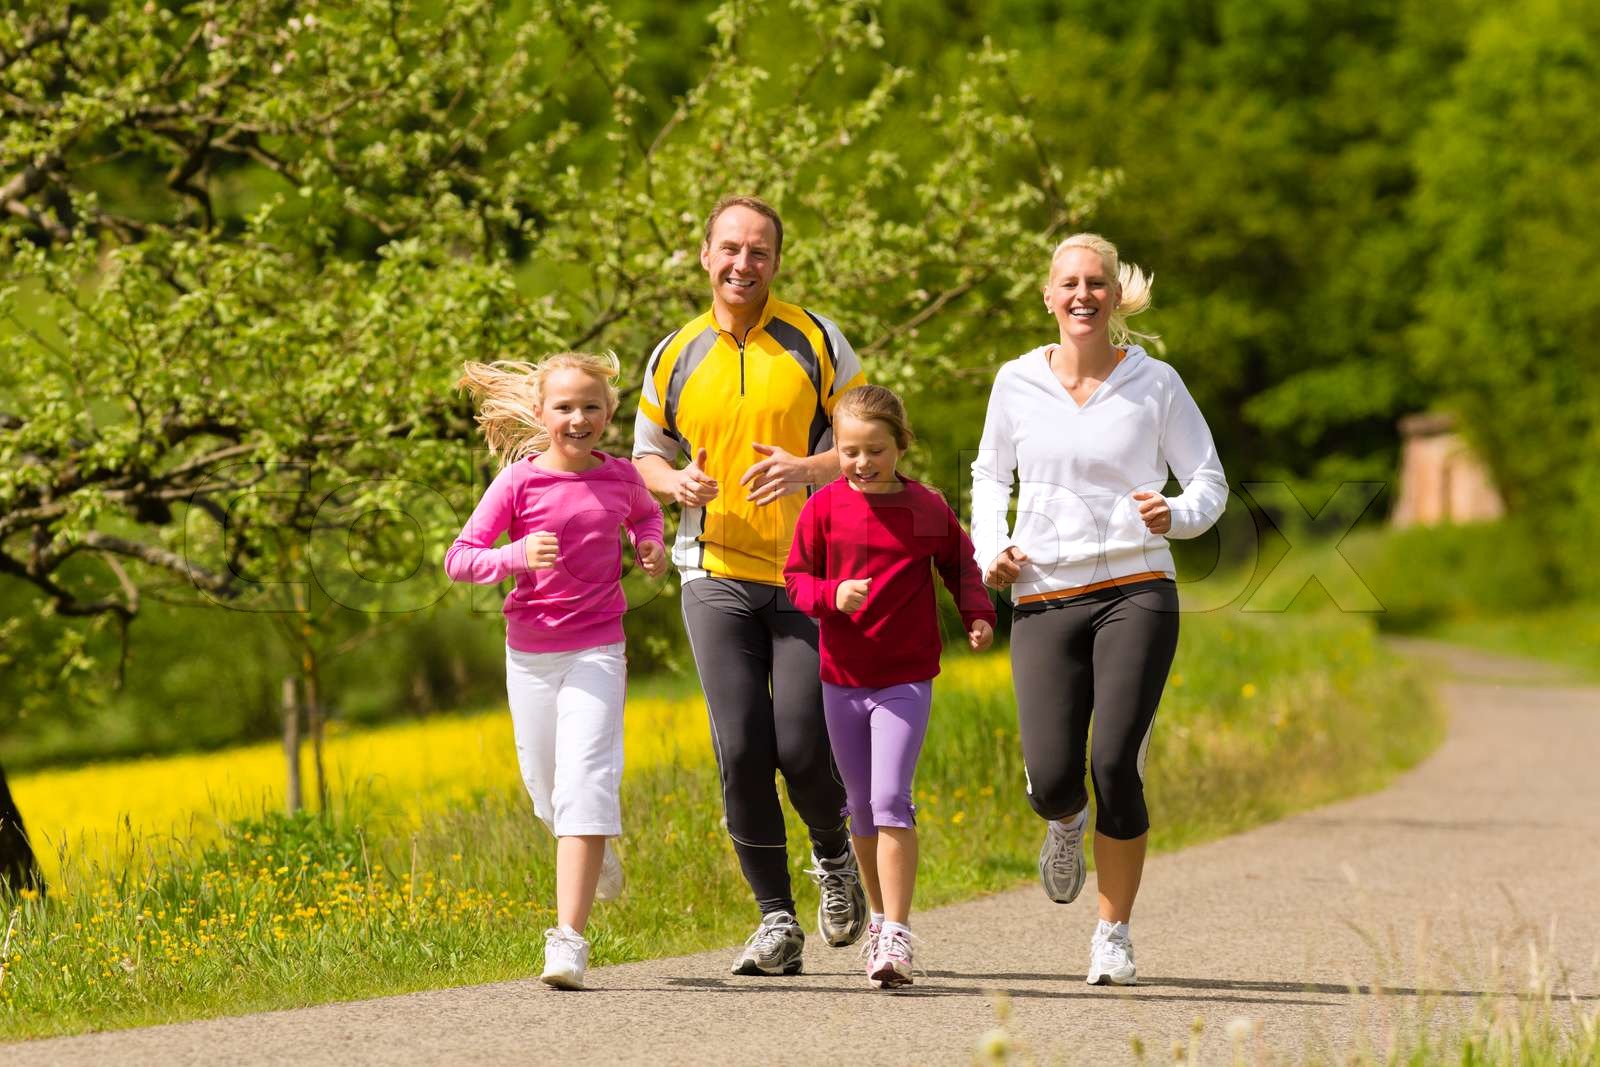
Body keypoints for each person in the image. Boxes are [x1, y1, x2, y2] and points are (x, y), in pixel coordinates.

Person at [970, 233, 1227, 986]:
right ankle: (1064, 820)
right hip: (1043, 591)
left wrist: (1172, 515)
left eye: (1097, 283)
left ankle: (1112, 932)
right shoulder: (1015, 382)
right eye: (1069, 283)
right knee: (1054, 776)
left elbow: (1208, 482)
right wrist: (993, 549)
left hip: (1136, 588)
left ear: (1117, 296)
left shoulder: (1157, 383)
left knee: (1114, 761)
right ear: (1048, 296)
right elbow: (990, 475)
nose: (1083, 294)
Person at [633, 195, 870, 976]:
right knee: (740, 747)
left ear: (777, 261)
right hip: (715, 573)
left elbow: (873, 445)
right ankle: (776, 920)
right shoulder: (674, 353)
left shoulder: (816, 339)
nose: (743, 263)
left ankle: (835, 855)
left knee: (802, 743)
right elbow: (645, 454)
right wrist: (675, 485)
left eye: (759, 251)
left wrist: (807, 469)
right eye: (729, 247)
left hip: (810, 574)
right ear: (705, 255)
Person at [445, 352, 669, 991]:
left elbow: (645, 517)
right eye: (565, 407)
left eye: (591, 407)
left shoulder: (622, 477)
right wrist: (513, 555)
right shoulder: (517, 484)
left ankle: (568, 939)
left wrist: (648, 545)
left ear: (610, 412)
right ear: (541, 415)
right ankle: (593, 856)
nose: (579, 419)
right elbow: (458, 559)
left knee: (587, 780)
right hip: (531, 654)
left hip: (598, 647)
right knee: (544, 789)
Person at [784, 385, 996, 988]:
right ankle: (877, 919)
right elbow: (797, 579)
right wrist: (832, 596)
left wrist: (978, 613)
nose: (861, 463)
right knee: (859, 810)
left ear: (900, 445)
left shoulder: (926, 507)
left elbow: (961, 565)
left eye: (875, 450)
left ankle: (898, 934)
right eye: (850, 451)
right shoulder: (821, 508)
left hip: (904, 678)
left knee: (891, 800)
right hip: (842, 680)